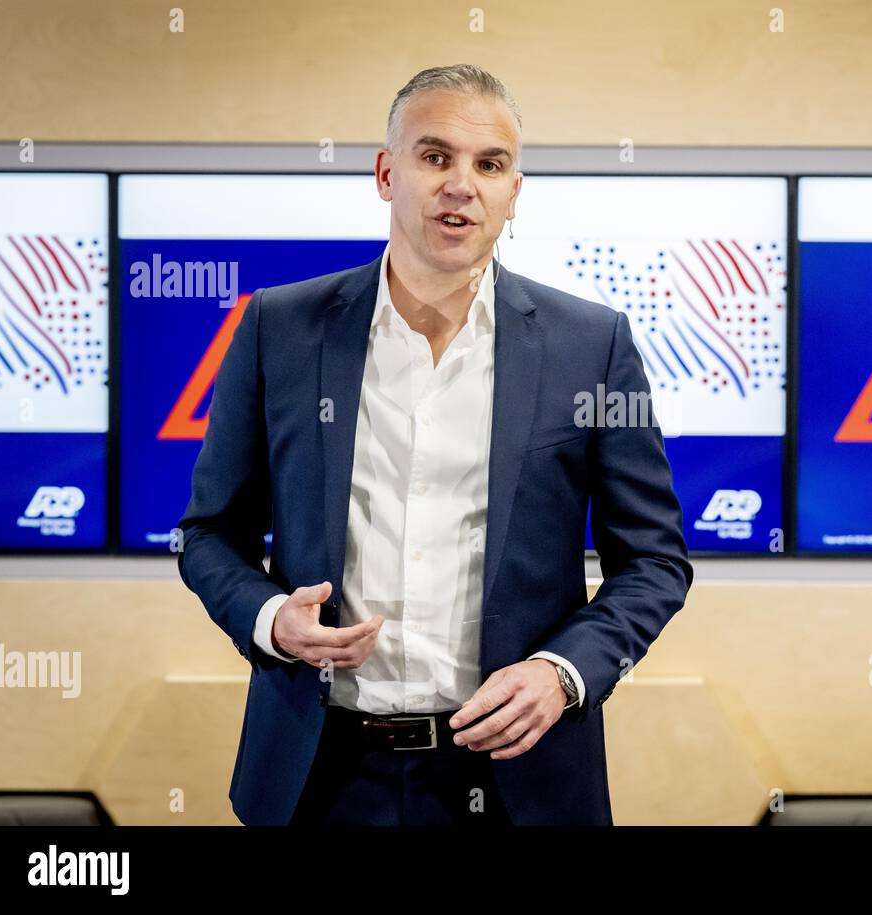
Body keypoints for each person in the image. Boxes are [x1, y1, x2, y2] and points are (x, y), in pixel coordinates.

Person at [176, 63, 693, 826]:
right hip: (320, 777)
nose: (463, 184)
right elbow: (208, 534)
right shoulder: (278, 329)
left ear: (515, 192)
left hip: (517, 780)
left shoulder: (592, 345)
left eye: (491, 165)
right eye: (435, 156)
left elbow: (654, 559)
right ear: (387, 173)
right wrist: (272, 619)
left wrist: (563, 673)